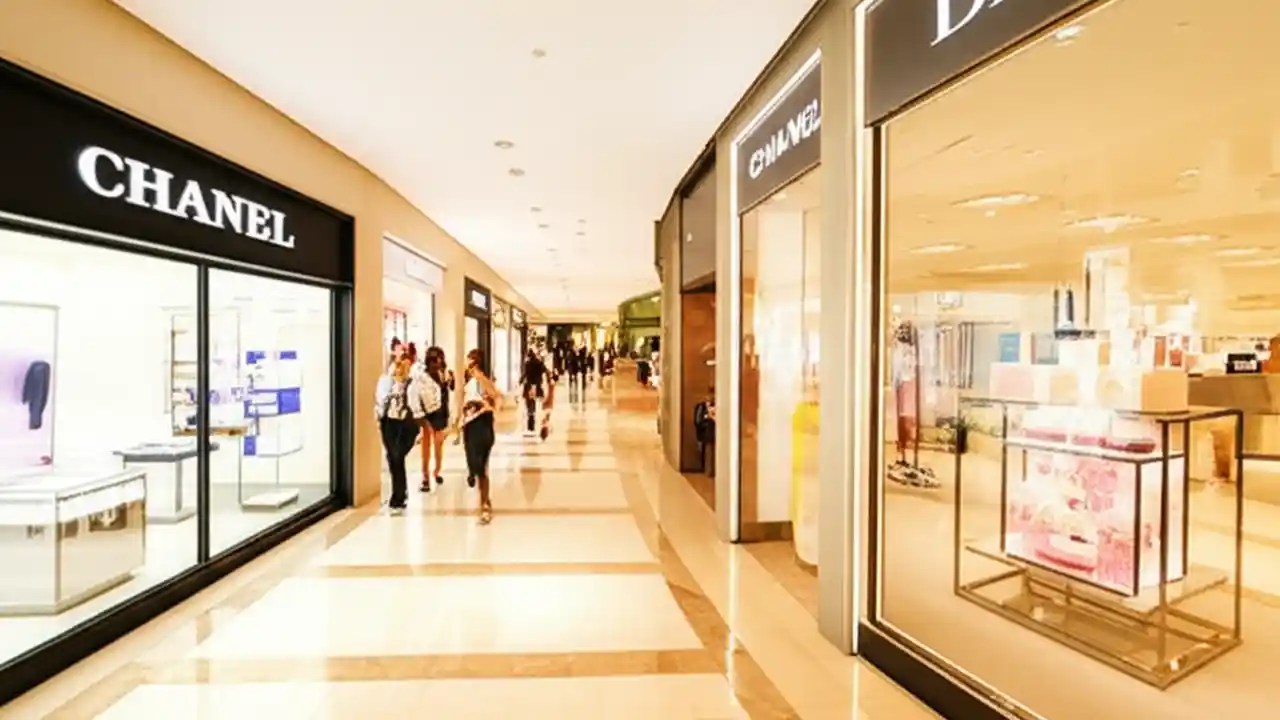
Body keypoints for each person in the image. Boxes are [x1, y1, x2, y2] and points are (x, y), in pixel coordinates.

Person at [376, 356, 433, 515]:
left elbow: (418, 406)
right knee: (392, 458)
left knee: (397, 455)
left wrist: (423, 426)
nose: (400, 370)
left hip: (406, 425)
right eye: (398, 366)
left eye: (403, 367)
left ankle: (399, 495)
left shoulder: (413, 385)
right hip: (389, 423)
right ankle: (399, 494)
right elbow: (380, 401)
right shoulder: (387, 383)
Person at [455, 349, 501, 524]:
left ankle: (484, 505)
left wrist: (480, 377)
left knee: (482, 466)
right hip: (469, 425)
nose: (470, 366)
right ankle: (474, 476)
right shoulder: (466, 382)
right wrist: (457, 424)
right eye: (469, 362)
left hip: (483, 424)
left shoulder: (485, 380)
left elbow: (495, 395)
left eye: (473, 362)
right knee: (472, 461)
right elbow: (460, 402)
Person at [418, 346, 453, 492]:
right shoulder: (424, 376)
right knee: (429, 446)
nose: (437, 362)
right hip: (429, 415)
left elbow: (447, 395)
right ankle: (428, 476)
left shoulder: (443, 374)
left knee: (434, 445)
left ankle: (434, 472)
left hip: (437, 414)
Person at [519, 349, 547, 437]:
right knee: (535, 403)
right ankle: (534, 420)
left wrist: (520, 380)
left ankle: (530, 422)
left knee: (529, 403)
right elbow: (544, 370)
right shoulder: (539, 362)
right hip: (537, 385)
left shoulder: (528, 364)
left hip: (529, 386)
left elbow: (525, 374)